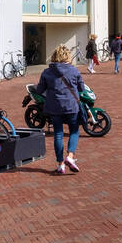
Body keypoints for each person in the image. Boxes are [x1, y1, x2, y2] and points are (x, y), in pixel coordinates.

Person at [37, 45, 86, 174]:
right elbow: (82, 89)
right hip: (71, 105)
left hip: (54, 107)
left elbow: (39, 90)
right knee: (74, 131)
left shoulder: (47, 72)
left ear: (54, 57)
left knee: (58, 134)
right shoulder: (74, 71)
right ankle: (70, 157)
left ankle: (60, 165)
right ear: (68, 57)